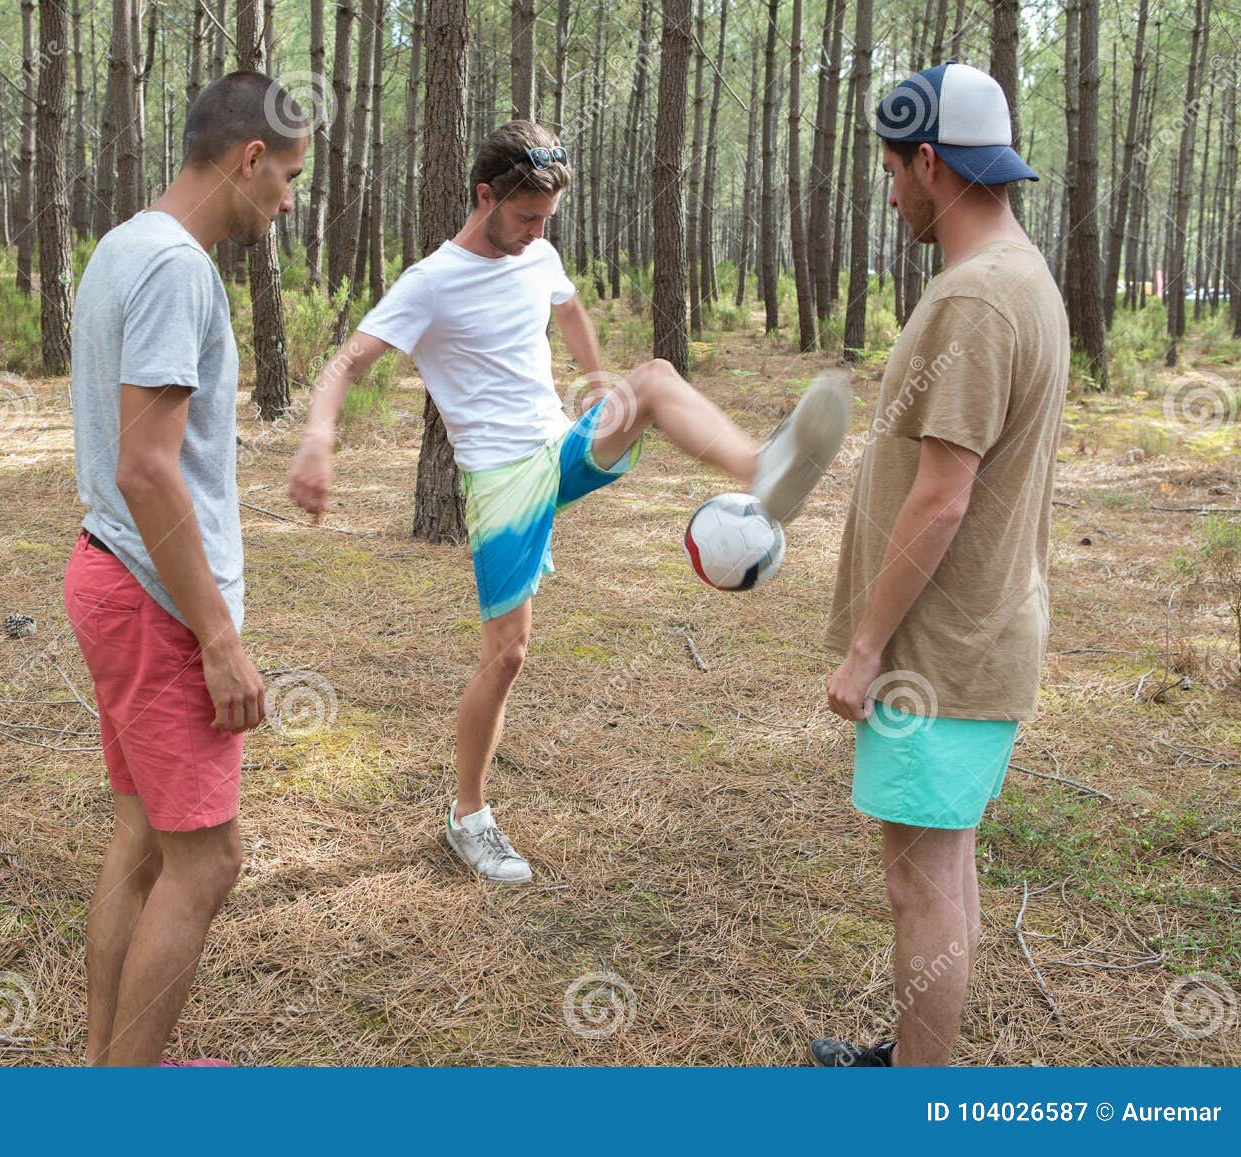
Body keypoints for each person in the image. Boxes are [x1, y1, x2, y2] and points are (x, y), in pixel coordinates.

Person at [287, 120, 849, 885]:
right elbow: (347, 363)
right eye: (524, 217)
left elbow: (571, 306)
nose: (536, 233)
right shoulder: (430, 282)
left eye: (547, 220)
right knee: (508, 654)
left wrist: (591, 379)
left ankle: (762, 467)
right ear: (485, 196)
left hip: (558, 448)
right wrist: (318, 440)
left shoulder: (540, 251)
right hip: (501, 483)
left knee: (648, 379)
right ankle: (468, 817)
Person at [810, 62, 1067, 1067]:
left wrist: (866, 645)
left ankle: (916, 1101)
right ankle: (918, 1065)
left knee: (918, 882)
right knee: (940, 866)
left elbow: (943, 493)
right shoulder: (1020, 273)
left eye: (891, 168)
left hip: (938, 651)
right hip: (976, 635)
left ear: (928, 161)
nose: (887, 192)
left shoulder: (974, 300)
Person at [64, 71, 307, 1066]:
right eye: (286, 177)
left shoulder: (126, 245)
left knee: (145, 843)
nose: (288, 200)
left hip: (111, 577)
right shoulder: (176, 269)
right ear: (247, 159)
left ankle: (109, 1074)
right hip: (157, 600)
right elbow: (148, 465)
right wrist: (218, 638)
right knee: (207, 864)